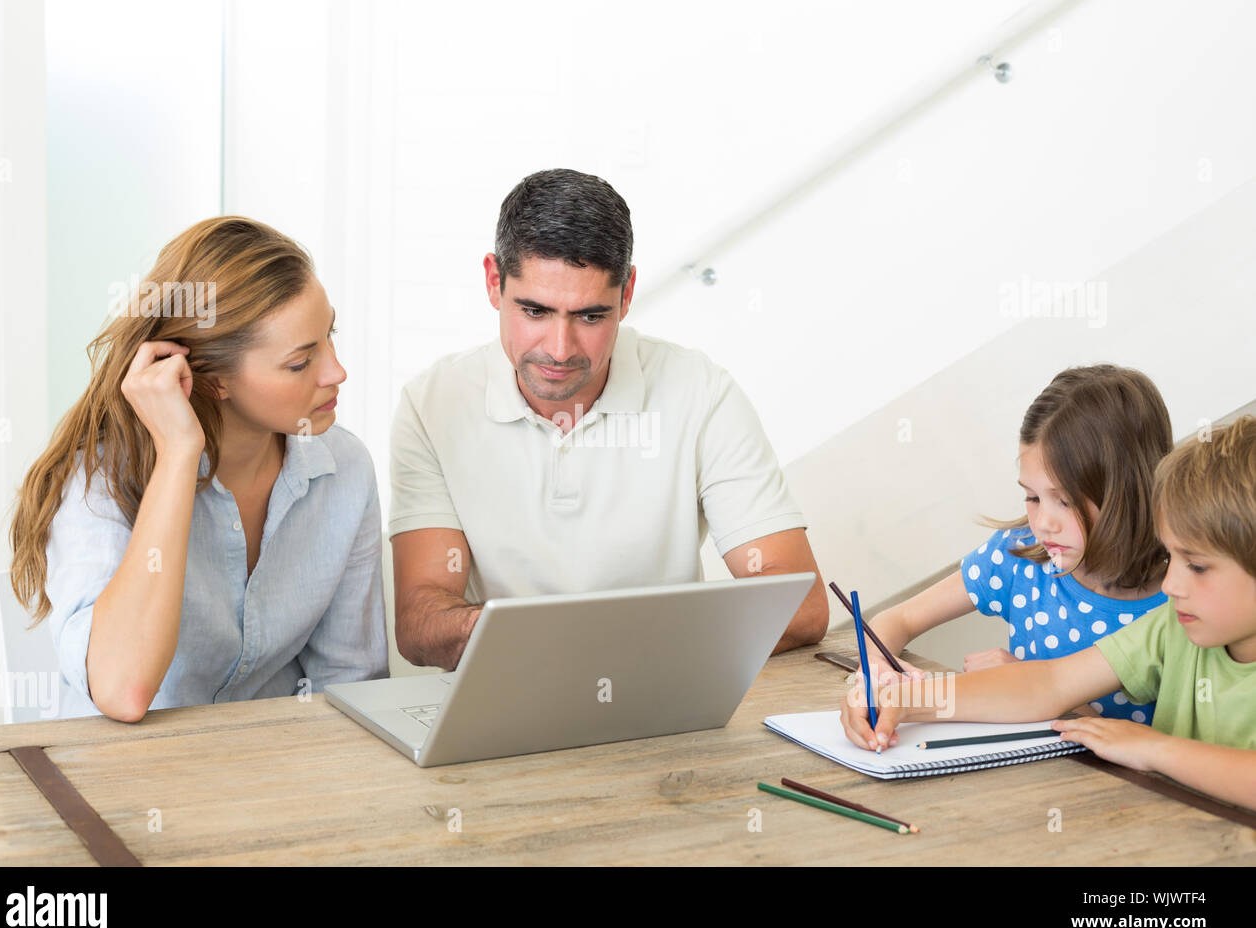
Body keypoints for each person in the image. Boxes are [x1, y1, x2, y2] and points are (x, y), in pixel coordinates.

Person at [390, 168, 828, 670]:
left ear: (627, 293)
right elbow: (421, 620)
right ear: (494, 281)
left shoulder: (701, 392)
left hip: (662, 698)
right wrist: (519, 640)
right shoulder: (432, 403)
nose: (559, 349)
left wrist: (596, 644)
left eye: (591, 317)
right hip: (506, 694)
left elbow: (801, 606)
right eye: (535, 311)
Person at [10, 216, 388, 722]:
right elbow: (124, 690)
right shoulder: (100, 479)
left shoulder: (344, 470)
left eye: (329, 336)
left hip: (271, 777)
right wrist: (178, 455)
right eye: (299, 363)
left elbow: (350, 690)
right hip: (123, 780)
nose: (336, 371)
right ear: (213, 381)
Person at [840, 417, 1256, 812]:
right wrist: (904, 700)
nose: (1171, 585)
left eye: (1197, 566)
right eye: (1172, 558)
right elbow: (1048, 683)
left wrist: (1154, 748)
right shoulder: (1172, 627)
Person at [857, 365, 1173, 721]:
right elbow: (899, 618)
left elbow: (1171, 756)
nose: (1042, 525)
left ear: (1127, 491)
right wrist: (876, 662)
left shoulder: (1185, 599)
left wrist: (1019, 682)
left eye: (1065, 501)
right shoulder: (1020, 557)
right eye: (1033, 498)